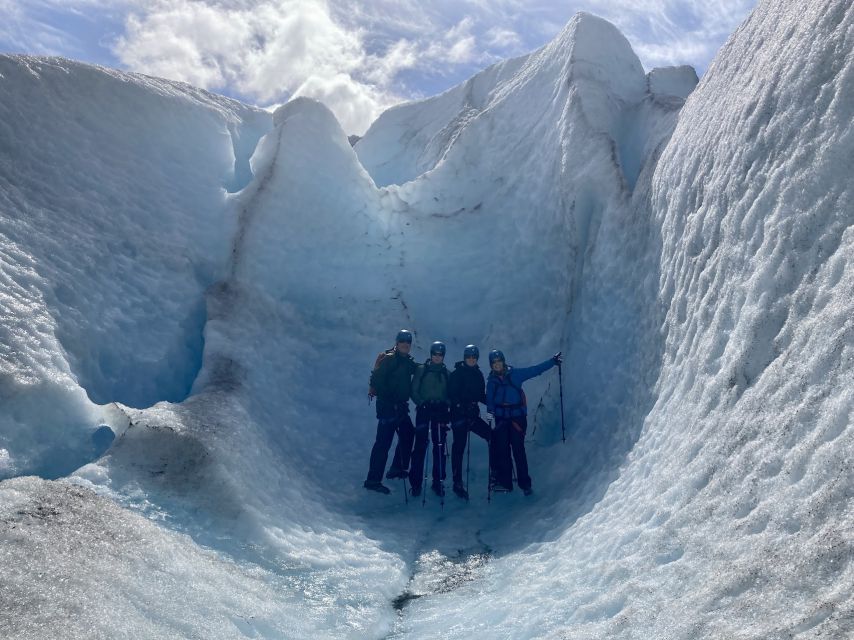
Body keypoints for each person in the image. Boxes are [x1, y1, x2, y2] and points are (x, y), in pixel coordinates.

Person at [486, 349, 562, 495]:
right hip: (501, 419)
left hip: (516, 419)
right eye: (494, 363)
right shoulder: (491, 382)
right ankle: (506, 483)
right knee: (503, 451)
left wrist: (552, 362)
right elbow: (490, 399)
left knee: (518, 450)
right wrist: (490, 411)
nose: (497, 365)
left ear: (503, 361)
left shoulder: (515, 374)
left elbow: (535, 370)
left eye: (498, 361)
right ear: (491, 365)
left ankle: (525, 484)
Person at [364, 329, 418, 494]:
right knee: (383, 444)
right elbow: (377, 381)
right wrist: (390, 400)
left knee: (408, 434)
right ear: (397, 342)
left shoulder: (407, 362)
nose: (405, 345)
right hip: (388, 408)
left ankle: (397, 468)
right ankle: (373, 480)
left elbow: (418, 370)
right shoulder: (389, 359)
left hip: (401, 408)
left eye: (408, 343)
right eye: (402, 342)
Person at [447, 344, 492, 500]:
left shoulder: (478, 374)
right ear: (464, 358)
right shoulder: (457, 374)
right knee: (459, 447)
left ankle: (497, 472)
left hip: (472, 416)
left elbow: (480, 395)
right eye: (469, 357)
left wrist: (493, 403)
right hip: (459, 416)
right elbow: (451, 395)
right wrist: (460, 406)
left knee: (491, 436)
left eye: (474, 357)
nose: (471, 359)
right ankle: (457, 481)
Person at [408, 341, 451, 497]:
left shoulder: (447, 373)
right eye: (435, 354)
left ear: (443, 356)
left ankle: (438, 482)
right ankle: (416, 483)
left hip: (439, 412)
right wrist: (421, 403)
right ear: (431, 354)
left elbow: (451, 394)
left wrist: (445, 405)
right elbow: (413, 390)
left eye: (440, 355)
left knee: (439, 447)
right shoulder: (422, 370)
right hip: (424, 411)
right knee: (420, 445)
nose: (437, 357)